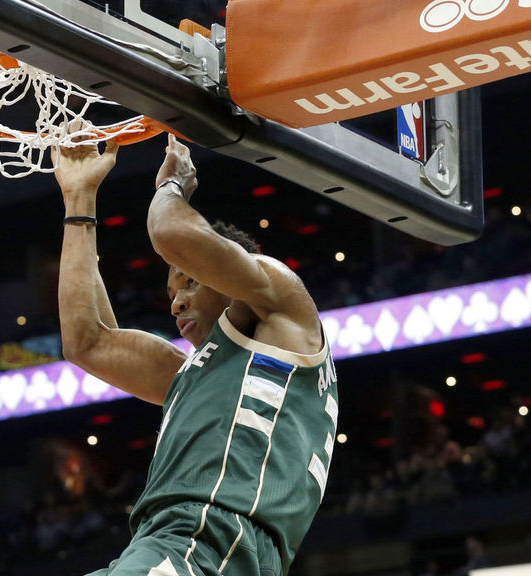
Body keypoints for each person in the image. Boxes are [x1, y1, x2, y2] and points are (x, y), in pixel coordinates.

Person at [52, 133, 338, 576]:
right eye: (171, 292)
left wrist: (174, 187)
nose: (176, 303)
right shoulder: (202, 377)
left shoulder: (281, 301)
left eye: (189, 282)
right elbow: (87, 341)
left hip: (206, 537)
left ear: (227, 267)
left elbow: (172, 233)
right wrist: (79, 198)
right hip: (177, 546)